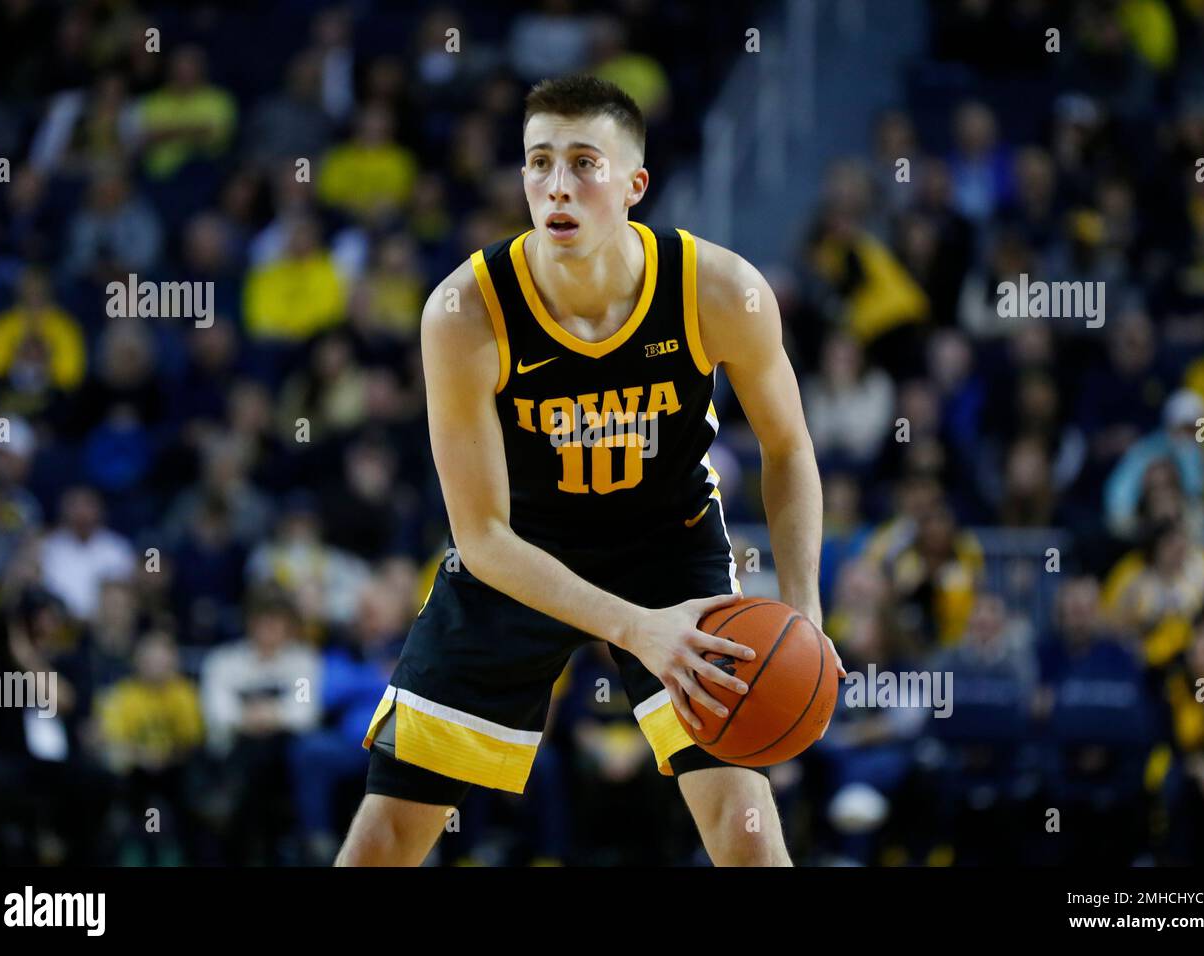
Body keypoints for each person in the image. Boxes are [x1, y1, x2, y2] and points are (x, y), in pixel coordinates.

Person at [337, 75, 843, 867]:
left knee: (742, 817)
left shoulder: (720, 290)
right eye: (539, 163)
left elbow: (788, 450)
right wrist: (637, 630)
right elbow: (482, 537)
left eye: (583, 162)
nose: (557, 186)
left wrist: (805, 609)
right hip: (522, 558)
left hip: (667, 547)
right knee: (388, 834)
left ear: (635, 184)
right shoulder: (465, 312)